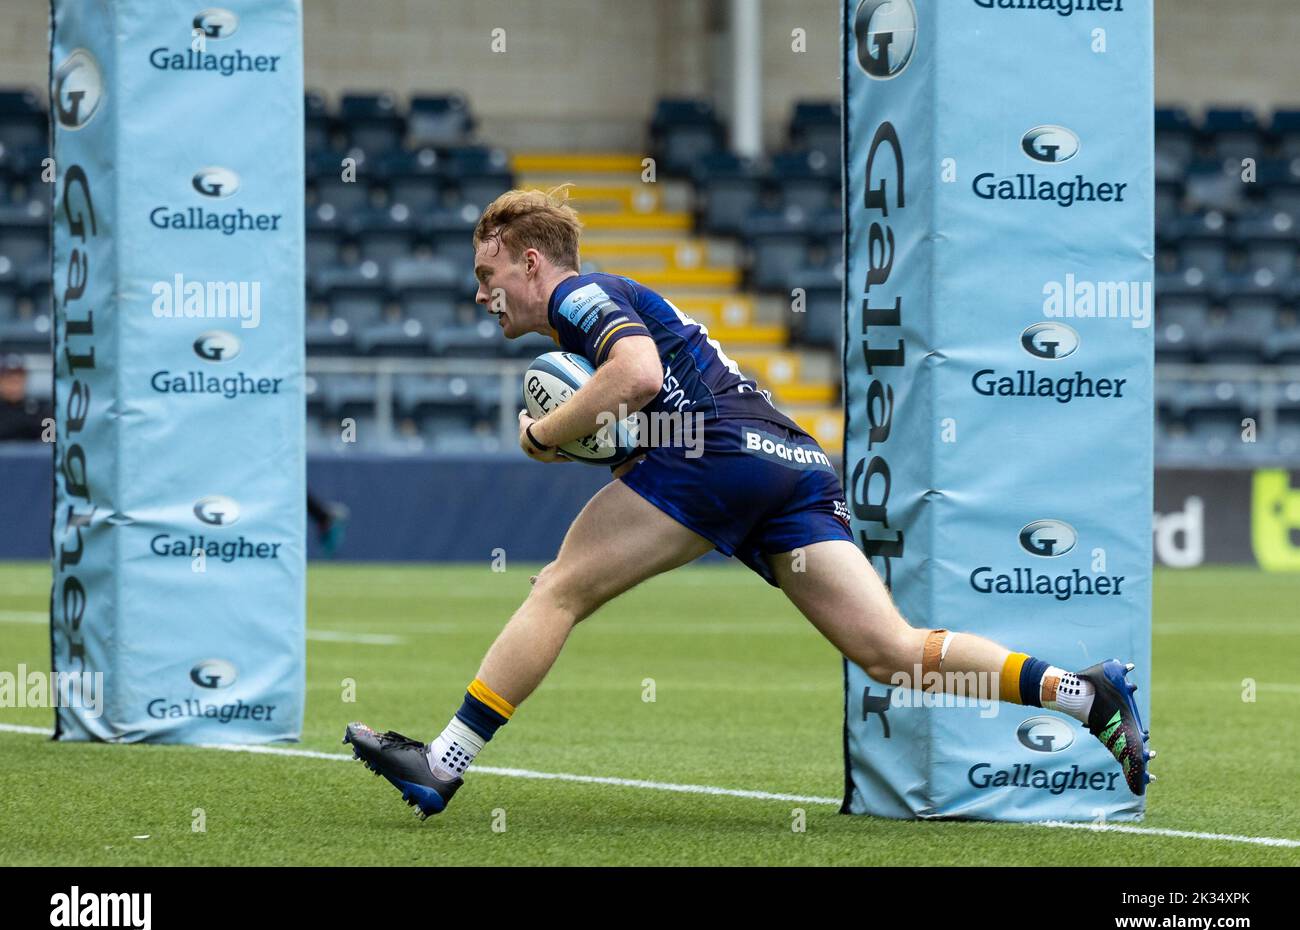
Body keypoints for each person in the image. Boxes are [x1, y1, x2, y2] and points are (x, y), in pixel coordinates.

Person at [343, 186, 1154, 819]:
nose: (485, 295)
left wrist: (546, 434)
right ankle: (1081, 693)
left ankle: (441, 763)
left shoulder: (576, 296)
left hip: (720, 453)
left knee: (560, 586)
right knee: (891, 652)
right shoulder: (607, 305)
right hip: (790, 458)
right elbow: (651, 398)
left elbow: (637, 378)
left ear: (529, 259)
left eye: (488, 275)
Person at [0, 354, 50, 442]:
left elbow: (51, 439)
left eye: (18, 379)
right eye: (9, 379)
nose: (14, 385)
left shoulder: (39, 409)